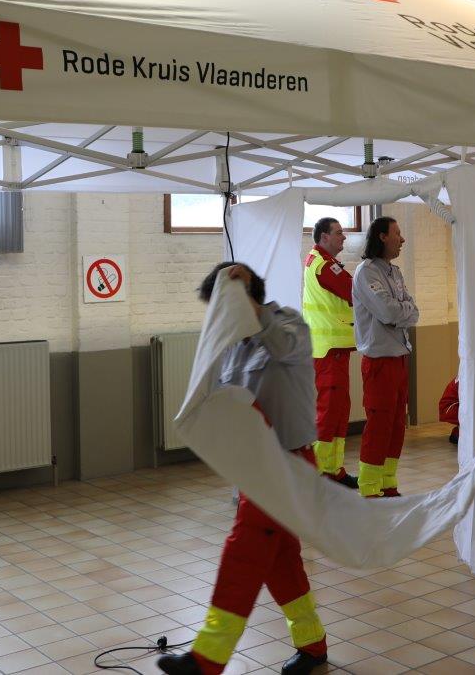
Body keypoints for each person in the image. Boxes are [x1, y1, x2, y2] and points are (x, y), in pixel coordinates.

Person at [158, 263, 328, 675]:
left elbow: (284, 348)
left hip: (287, 464)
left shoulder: (289, 327)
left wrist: (247, 299)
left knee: (244, 553)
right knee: (280, 561)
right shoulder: (235, 347)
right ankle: (312, 644)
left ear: (243, 297)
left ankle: (207, 659)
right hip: (256, 470)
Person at [352, 216, 419, 498]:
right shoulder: (367, 273)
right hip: (379, 362)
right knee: (379, 426)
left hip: (399, 359)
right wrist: (400, 312)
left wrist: (400, 312)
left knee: (395, 426)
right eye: (397, 234)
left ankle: (388, 482)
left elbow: (413, 312)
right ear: (381, 237)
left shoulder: (395, 273)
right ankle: (369, 486)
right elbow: (389, 312)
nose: (402, 239)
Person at [303, 216, 358, 488]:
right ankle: (318, 473)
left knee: (338, 410)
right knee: (329, 413)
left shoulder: (321, 262)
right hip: (329, 351)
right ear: (324, 237)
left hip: (333, 350)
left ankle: (333, 469)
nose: (343, 237)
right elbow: (353, 291)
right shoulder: (325, 266)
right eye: (338, 233)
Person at [438, 377, 460, 444]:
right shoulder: (466, 376)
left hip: (451, 406)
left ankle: (458, 432)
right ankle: (458, 433)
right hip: (449, 407)